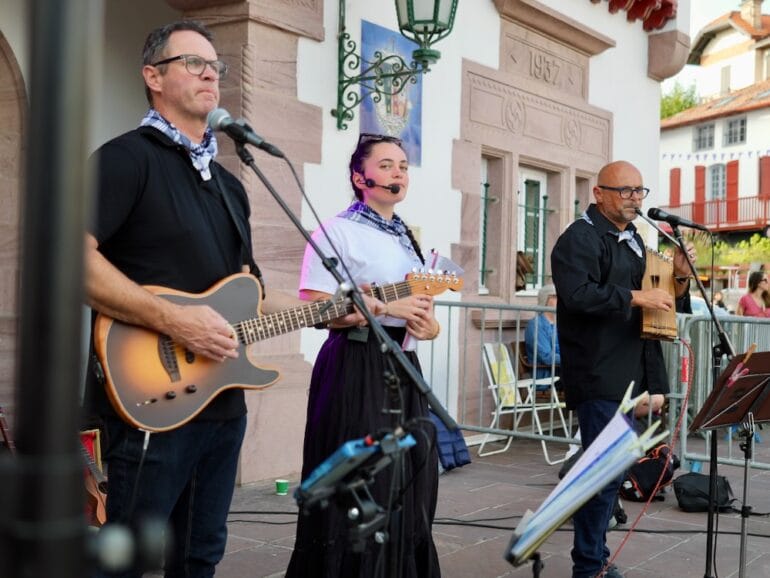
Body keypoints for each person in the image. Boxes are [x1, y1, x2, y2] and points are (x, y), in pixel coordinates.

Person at [83, 21, 380, 577]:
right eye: (192, 63)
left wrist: (330, 310)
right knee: (123, 561)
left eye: (215, 66)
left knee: (200, 557)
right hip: (147, 402)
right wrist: (177, 322)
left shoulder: (229, 186)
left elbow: (251, 295)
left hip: (221, 404)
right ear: (153, 77)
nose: (210, 75)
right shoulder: (126, 159)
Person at [285, 133, 442, 578]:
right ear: (360, 177)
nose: (399, 173)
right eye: (387, 165)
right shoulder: (337, 231)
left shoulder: (405, 236)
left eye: (403, 166)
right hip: (357, 362)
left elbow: (423, 312)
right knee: (365, 478)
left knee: (410, 476)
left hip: (403, 364)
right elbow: (317, 306)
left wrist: (429, 327)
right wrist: (387, 309)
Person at [551, 160, 692, 578]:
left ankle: (596, 557)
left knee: (612, 476)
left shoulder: (634, 239)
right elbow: (578, 295)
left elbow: (661, 299)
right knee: (601, 476)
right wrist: (635, 297)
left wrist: (679, 278)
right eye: (625, 191)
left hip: (633, 371)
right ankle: (588, 566)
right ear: (599, 193)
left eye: (639, 191)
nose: (634, 199)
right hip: (599, 372)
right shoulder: (579, 238)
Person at [524, 284, 560, 380]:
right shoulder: (536, 325)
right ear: (545, 299)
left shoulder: (560, 324)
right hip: (546, 376)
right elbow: (547, 357)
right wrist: (573, 358)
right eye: (555, 296)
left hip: (562, 372)